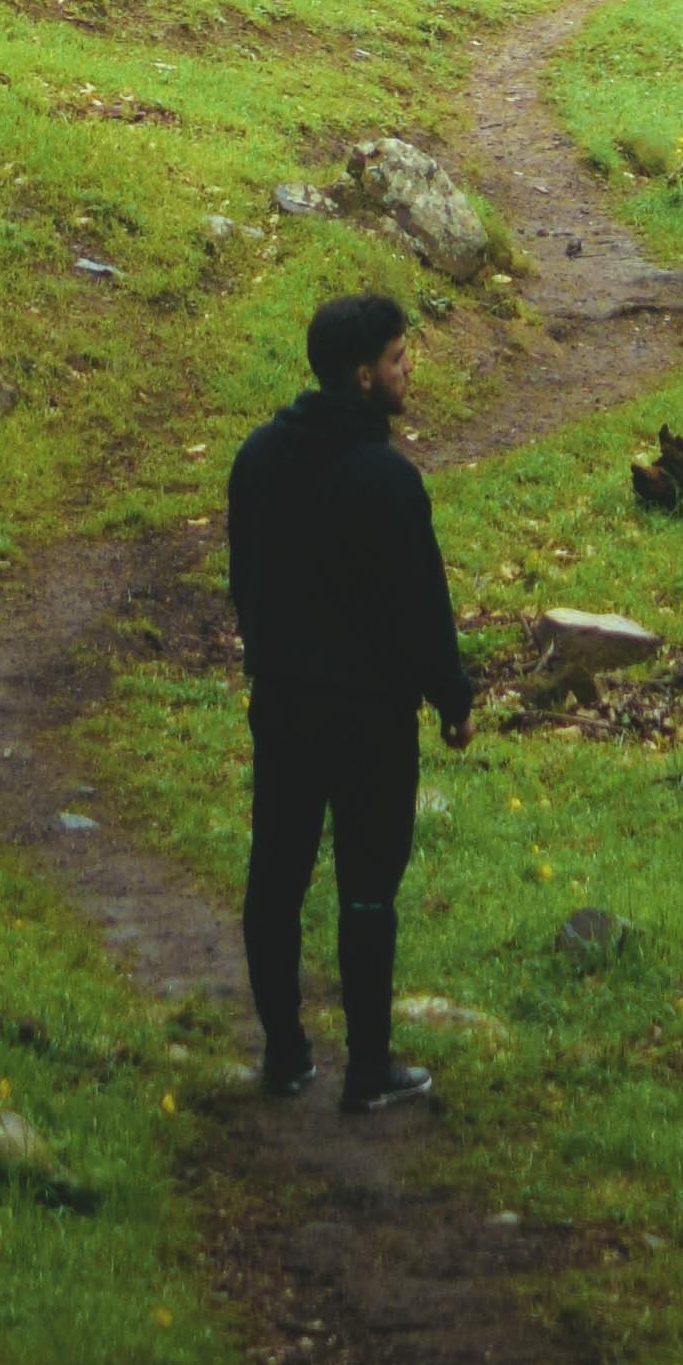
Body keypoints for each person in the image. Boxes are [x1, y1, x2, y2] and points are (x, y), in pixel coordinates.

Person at [223, 288, 474, 1113]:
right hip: (369, 721)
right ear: (364, 377)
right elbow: (421, 609)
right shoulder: (387, 481)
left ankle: (285, 1054)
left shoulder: (258, 457)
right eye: (401, 360)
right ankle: (367, 1070)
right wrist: (451, 696)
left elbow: (245, 585)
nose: (411, 372)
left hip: (285, 707)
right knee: (368, 887)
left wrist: (268, 660)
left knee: (276, 876)